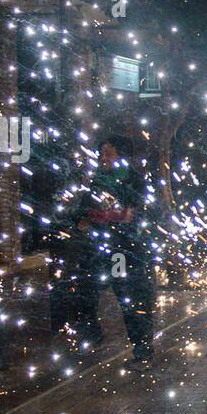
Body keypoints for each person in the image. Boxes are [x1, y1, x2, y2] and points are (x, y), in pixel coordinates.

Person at [73, 136, 157, 364]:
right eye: (101, 154)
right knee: (84, 291)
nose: (103, 158)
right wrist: (86, 218)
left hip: (126, 250)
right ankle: (92, 334)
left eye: (108, 153)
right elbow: (83, 211)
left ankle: (142, 351)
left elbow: (136, 214)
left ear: (121, 156)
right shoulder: (98, 182)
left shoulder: (134, 180)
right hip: (100, 248)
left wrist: (115, 216)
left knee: (130, 298)